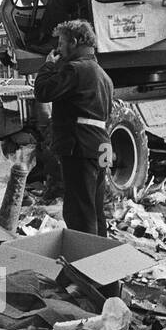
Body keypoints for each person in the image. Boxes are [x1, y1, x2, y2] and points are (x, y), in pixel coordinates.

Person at [33, 19, 113, 235]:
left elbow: (43, 92)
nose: (58, 48)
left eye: (61, 42)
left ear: (75, 42)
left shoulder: (76, 69)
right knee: (96, 210)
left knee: (79, 213)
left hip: (80, 147)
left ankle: (85, 264)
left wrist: (48, 65)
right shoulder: (103, 75)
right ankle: (102, 258)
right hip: (101, 147)